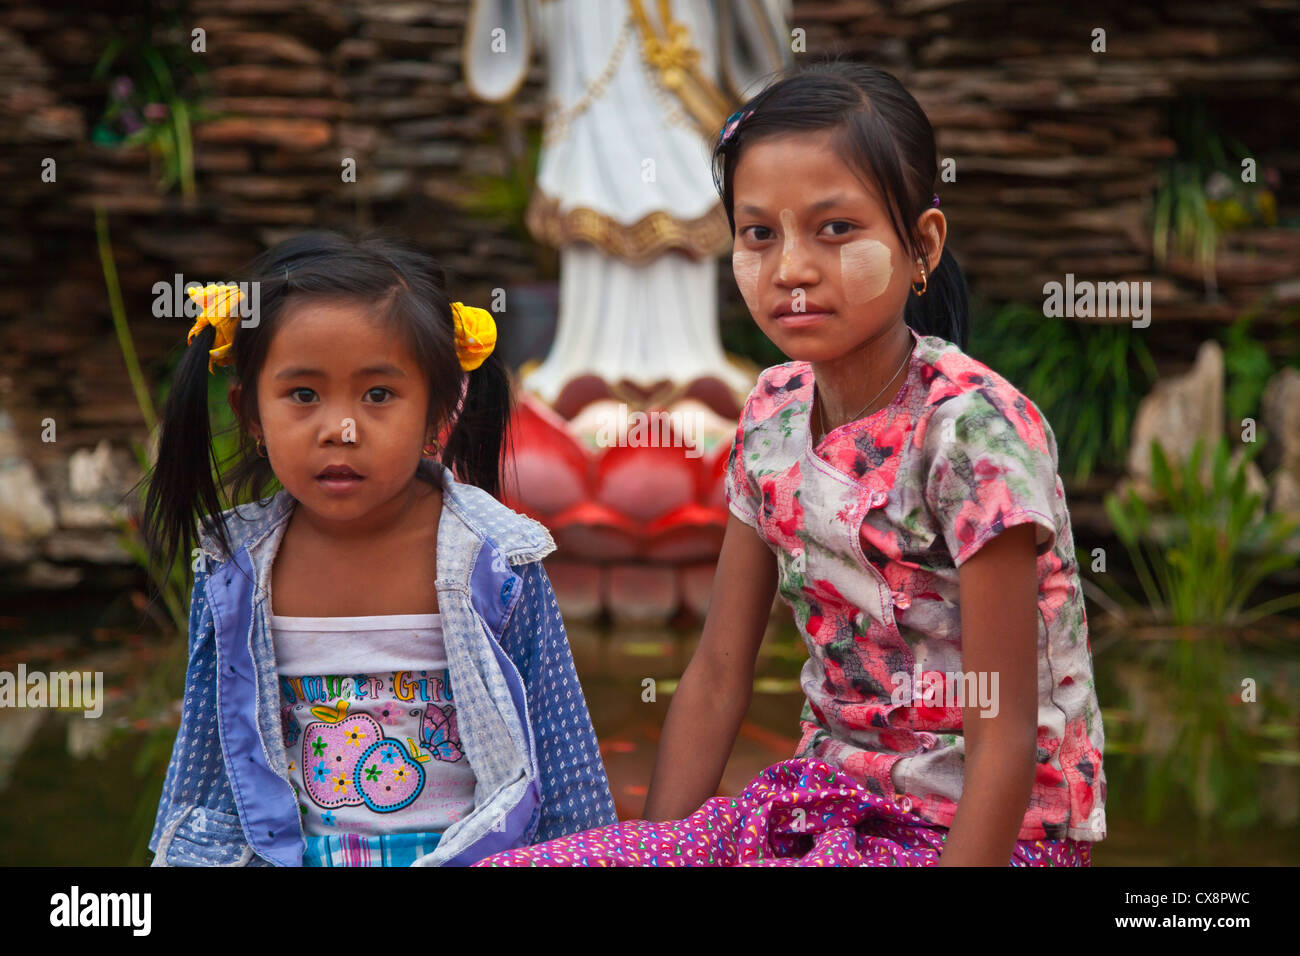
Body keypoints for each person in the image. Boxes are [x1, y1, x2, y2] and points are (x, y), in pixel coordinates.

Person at [475, 60, 1106, 866]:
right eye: (759, 234)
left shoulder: (973, 437)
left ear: (922, 246)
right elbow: (715, 674)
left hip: (986, 834)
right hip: (821, 808)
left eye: (835, 229)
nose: (792, 269)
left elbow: (1004, 730)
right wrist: (659, 853)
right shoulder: (772, 411)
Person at [140, 231, 616, 866]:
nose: (342, 429)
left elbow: (564, 760)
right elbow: (206, 766)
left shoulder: (493, 561)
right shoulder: (236, 569)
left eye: (379, 395)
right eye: (303, 395)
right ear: (251, 415)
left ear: (437, 416)